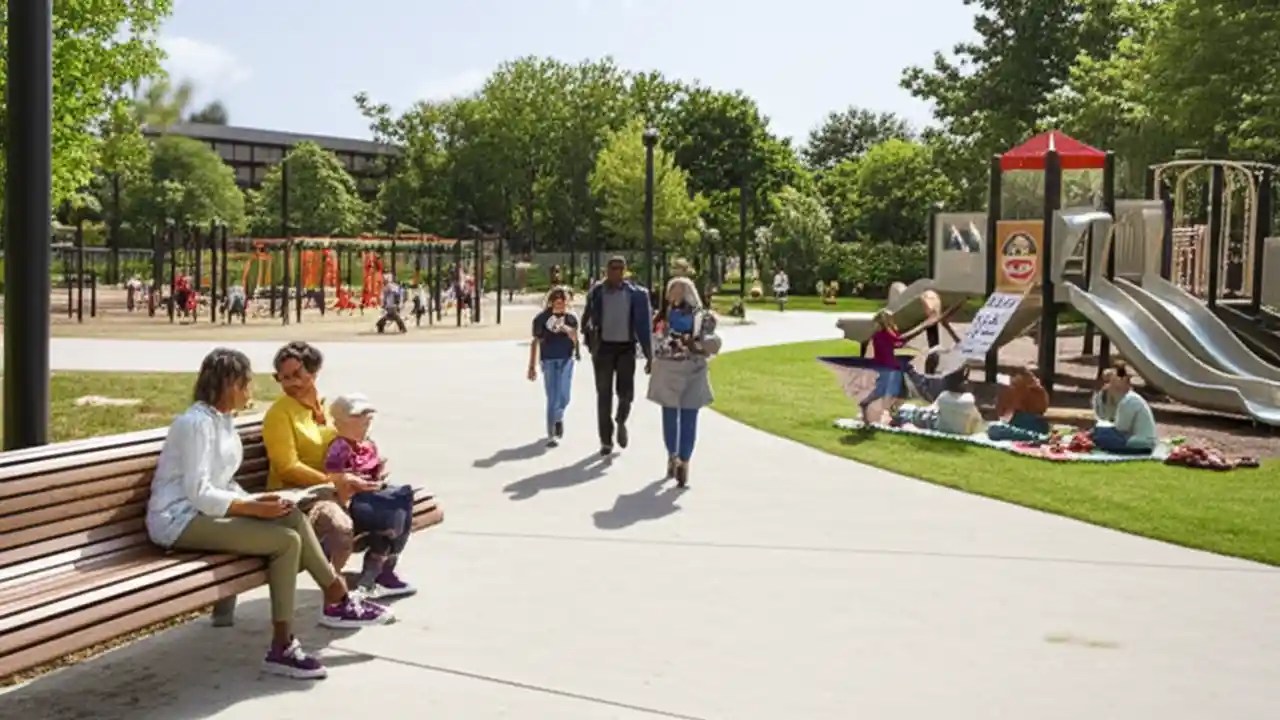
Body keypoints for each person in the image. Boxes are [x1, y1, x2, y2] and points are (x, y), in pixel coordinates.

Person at [146, 349, 388, 681]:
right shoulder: (195, 424)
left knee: (292, 517)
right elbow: (198, 491)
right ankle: (286, 642)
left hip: (205, 512)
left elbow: (224, 482)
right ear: (229, 384)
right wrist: (253, 508)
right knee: (285, 543)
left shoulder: (223, 422)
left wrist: (261, 499)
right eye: (246, 383)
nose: (251, 390)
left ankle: (334, 600)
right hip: (177, 519)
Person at [263, 341, 388, 624]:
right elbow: (287, 466)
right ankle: (335, 604)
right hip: (296, 497)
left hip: (333, 489)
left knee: (391, 502)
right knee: (339, 526)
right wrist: (333, 481)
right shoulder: (280, 414)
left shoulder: (324, 407)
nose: (290, 383)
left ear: (314, 372)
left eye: (297, 375)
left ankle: (378, 574)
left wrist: (367, 467)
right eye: (283, 377)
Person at [324, 393, 417, 598]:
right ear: (340, 422)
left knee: (403, 499)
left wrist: (379, 473)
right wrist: (351, 480)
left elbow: (373, 471)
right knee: (391, 518)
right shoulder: (340, 447)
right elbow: (333, 475)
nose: (365, 426)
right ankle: (373, 577)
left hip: (370, 495)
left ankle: (381, 572)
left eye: (367, 422)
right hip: (352, 501)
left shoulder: (368, 444)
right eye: (359, 421)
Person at [648, 277, 721, 487]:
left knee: (689, 415)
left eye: (679, 290)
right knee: (670, 415)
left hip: (693, 368)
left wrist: (697, 343)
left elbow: (713, 342)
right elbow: (655, 340)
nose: (674, 295)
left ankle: (684, 460)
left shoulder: (703, 317)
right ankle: (672, 454)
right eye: (672, 290)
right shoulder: (661, 316)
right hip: (667, 369)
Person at [581, 256, 653, 456]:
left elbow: (645, 327)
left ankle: (621, 420)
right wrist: (588, 337)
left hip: (626, 348)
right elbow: (586, 319)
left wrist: (650, 356)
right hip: (603, 349)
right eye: (613, 268)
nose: (617, 272)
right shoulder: (596, 292)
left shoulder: (637, 294)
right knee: (604, 395)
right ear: (606, 270)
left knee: (626, 393)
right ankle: (606, 440)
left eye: (621, 268)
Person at [527, 286, 579, 447]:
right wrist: (532, 366)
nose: (559, 305)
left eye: (562, 302)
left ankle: (559, 417)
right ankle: (551, 433)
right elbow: (535, 341)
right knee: (552, 396)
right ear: (550, 302)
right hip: (549, 360)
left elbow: (575, 338)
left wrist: (569, 332)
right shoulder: (541, 319)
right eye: (556, 302)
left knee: (564, 396)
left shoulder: (571, 318)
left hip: (566, 359)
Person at [1090, 363, 1158, 454]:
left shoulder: (1130, 400)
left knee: (1100, 434)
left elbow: (1121, 428)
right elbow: (1101, 412)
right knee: (1099, 432)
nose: (1109, 383)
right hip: (1141, 442)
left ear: (1123, 379)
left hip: (1140, 444)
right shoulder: (1126, 398)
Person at [859, 310, 907, 424]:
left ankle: (892, 414)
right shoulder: (884, 335)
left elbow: (898, 343)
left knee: (896, 391)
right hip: (888, 367)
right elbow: (899, 342)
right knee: (889, 391)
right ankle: (868, 404)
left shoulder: (881, 335)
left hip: (890, 367)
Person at [995, 365, 1051, 434]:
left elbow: (1042, 408)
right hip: (1014, 417)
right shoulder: (1015, 387)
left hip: (1026, 418)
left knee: (1042, 426)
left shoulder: (1036, 390)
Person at [933, 368, 984, 435]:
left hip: (942, 429)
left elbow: (936, 412)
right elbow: (977, 420)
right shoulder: (969, 398)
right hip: (964, 432)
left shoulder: (942, 396)